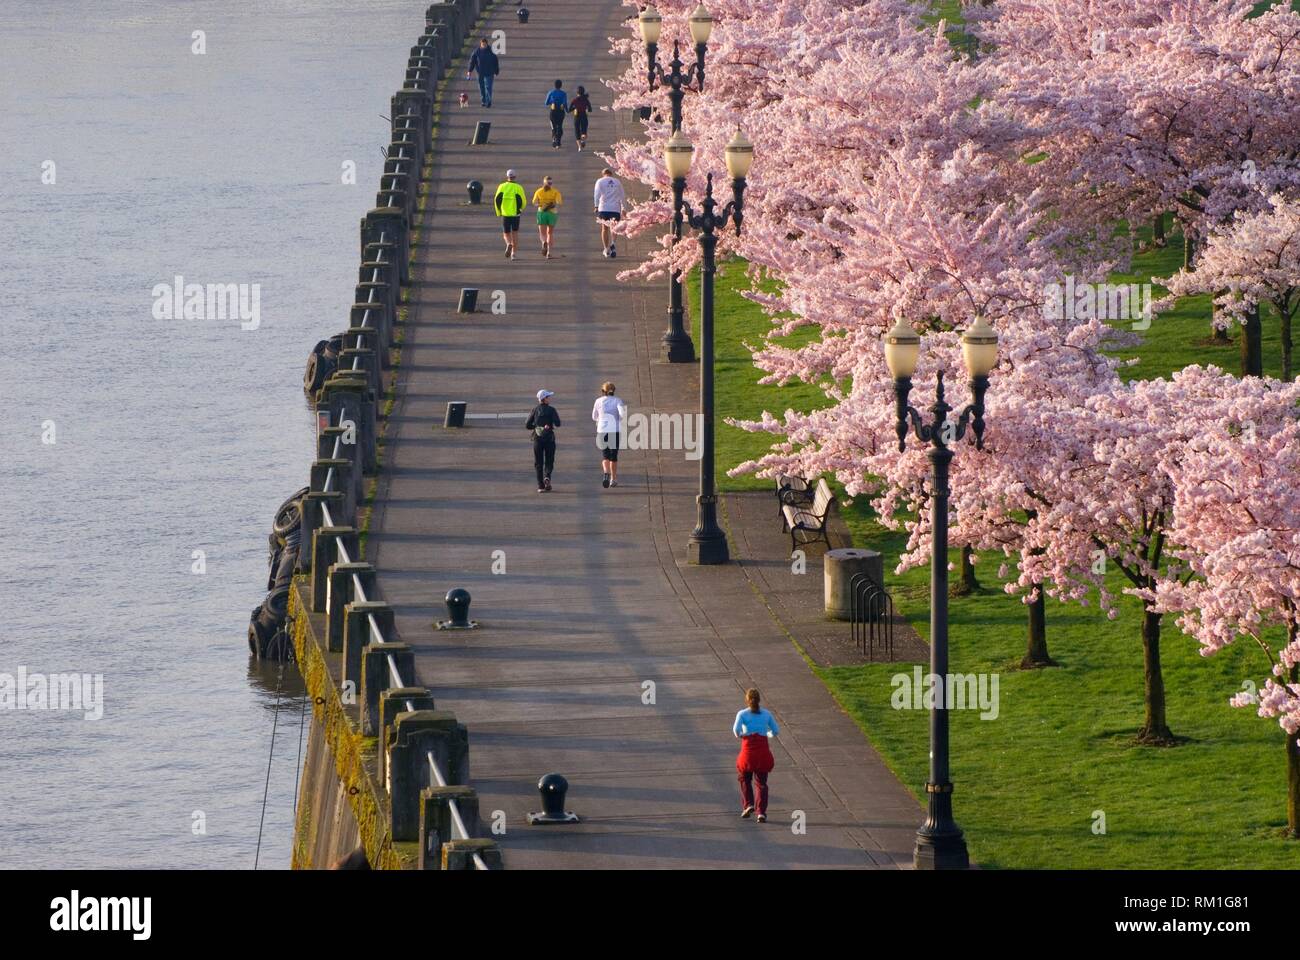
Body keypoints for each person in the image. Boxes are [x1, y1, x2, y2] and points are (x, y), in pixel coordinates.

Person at [732, 688, 778, 822]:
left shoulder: (742, 714)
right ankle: (761, 812)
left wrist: (742, 735)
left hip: (748, 751)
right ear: (759, 700)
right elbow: (775, 731)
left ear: (747, 700)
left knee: (744, 778)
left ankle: (748, 804)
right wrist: (767, 735)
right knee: (761, 783)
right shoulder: (767, 714)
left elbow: (736, 730)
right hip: (762, 751)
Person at [591, 382, 628, 488]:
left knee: (605, 455)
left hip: (602, 430)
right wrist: (618, 419)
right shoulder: (617, 400)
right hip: (614, 430)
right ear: (614, 390)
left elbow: (594, 416)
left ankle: (606, 473)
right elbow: (622, 414)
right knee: (613, 456)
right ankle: (613, 478)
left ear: (603, 391)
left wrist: (600, 419)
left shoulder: (598, 401)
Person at [525, 389, 561, 492]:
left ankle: (540, 486)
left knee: (538, 462)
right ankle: (547, 477)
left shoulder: (535, 410)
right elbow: (558, 423)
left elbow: (527, 425)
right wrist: (549, 425)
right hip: (549, 438)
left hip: (537, 438)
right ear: (544, 399)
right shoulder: (552, 410)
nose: (550, 398)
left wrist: (537, 427)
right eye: (548, 397)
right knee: (549, 460)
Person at [494, 169, 527, 260]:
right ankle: (513, 254)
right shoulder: (518, 187)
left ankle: (508, 244)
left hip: (505, 214)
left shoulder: (501, 186)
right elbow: (523, 201)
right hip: (516, 215)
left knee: (506, 233)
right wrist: (520, 209)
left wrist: (498, 212)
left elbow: (497, 200)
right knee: (515, 233)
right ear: (515, 177)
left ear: (507, 177)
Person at [593, 168, 625, 259]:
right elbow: (622, 195)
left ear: (603, 174)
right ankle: (613, 244)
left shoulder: (600, 181)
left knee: (604, 229)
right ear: (611, 174)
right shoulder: (617, 182)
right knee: (614, 228)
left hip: (604, 208)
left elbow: (597, 194)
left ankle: (606, 249)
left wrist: (596, 206)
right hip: (615, 209)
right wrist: (623, 208)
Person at [532, 175, 562, 258]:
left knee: (542, 233)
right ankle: (549, 252)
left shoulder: (539, 191)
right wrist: (552, 203)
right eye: (550, 183)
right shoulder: (555, 192)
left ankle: (543, 242)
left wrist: (541, 204)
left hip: (542, 212)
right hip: (552, 213)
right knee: (550, 233)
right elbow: (559, 202)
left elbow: (534, 202)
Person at [467, 39, 500, 107]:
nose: (484, 46)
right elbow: (472, 62)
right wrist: (469, 71)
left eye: (485, 44)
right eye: (483, 44)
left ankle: (488, 101)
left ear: (487, 44)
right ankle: (483, 100)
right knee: (482, 87)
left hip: (489, 72)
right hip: (480, 73)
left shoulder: (492, 52)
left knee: (488, 87)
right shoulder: (476, 52)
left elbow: (495, 62)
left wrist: (496, 71)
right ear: (480, 44)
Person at [545, 79, 568, 149]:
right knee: (560, 126)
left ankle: (554, 138)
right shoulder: (564, 93)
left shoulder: (551, 93)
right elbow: (565, 103)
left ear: (554, 85)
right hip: (561, 112)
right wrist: (567, 110)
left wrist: (552, 102)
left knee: (553, 127)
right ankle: (558, 142)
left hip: (553, 111)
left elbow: (546, 103)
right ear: (561, 85)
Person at [568, 86, 592, 151]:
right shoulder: (586, 99)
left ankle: (579, 147)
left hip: (577, 116)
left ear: (577, 92)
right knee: (584, 130)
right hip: (584, 115)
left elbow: (569, 110)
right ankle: (583, 140)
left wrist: (575, 108)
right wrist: (586, 108)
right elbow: (590, 109)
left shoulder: (575, 100)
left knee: (577, 131)